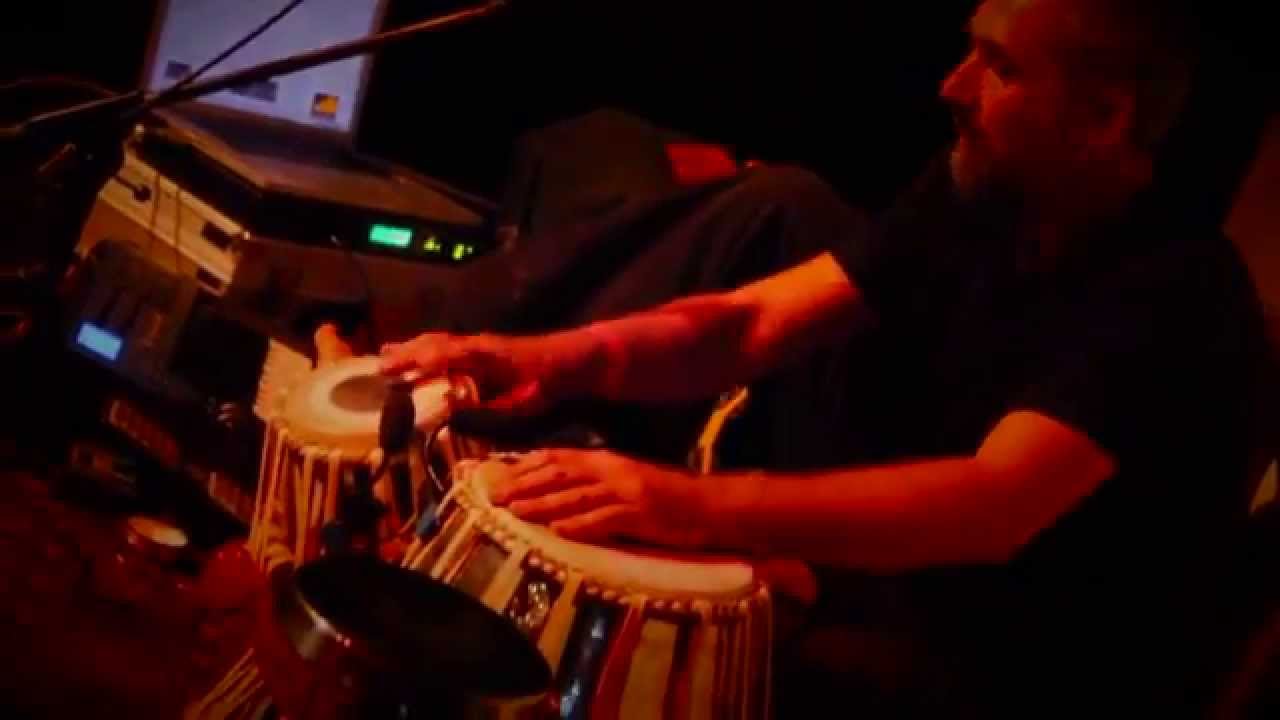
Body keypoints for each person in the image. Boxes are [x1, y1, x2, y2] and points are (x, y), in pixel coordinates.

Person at [365, 0, 1268, 715]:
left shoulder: (1177, 294)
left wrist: (682, 506)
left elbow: (993, 505)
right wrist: (539, 356)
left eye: (999, 67)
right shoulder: (980, 202)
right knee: (775, 211)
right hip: (901, 607)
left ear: (1104, 118)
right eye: (968, 49)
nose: (951, 85)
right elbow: (750, 323)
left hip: (1013, 681)